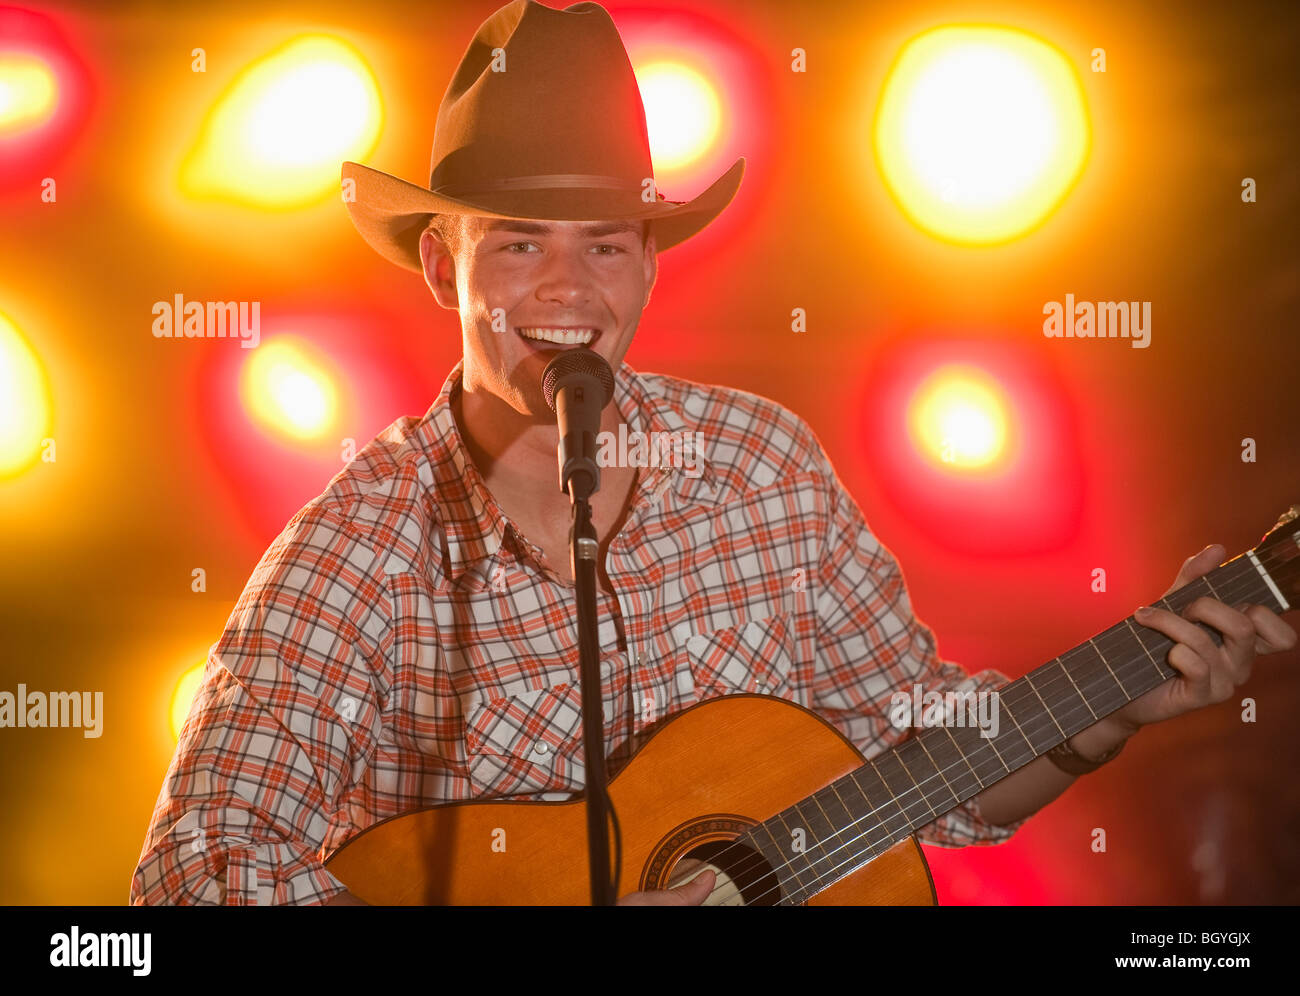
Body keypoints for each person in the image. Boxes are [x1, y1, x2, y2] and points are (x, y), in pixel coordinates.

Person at [130, 0, 1296, 906]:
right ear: (445, 268)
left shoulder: (759, 464)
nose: (565, 291)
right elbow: (196, 865)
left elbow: (923, 746)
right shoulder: (360, 544)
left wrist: (1111, 708)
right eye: (520, 244)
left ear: (648, 263)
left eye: (605, 245)